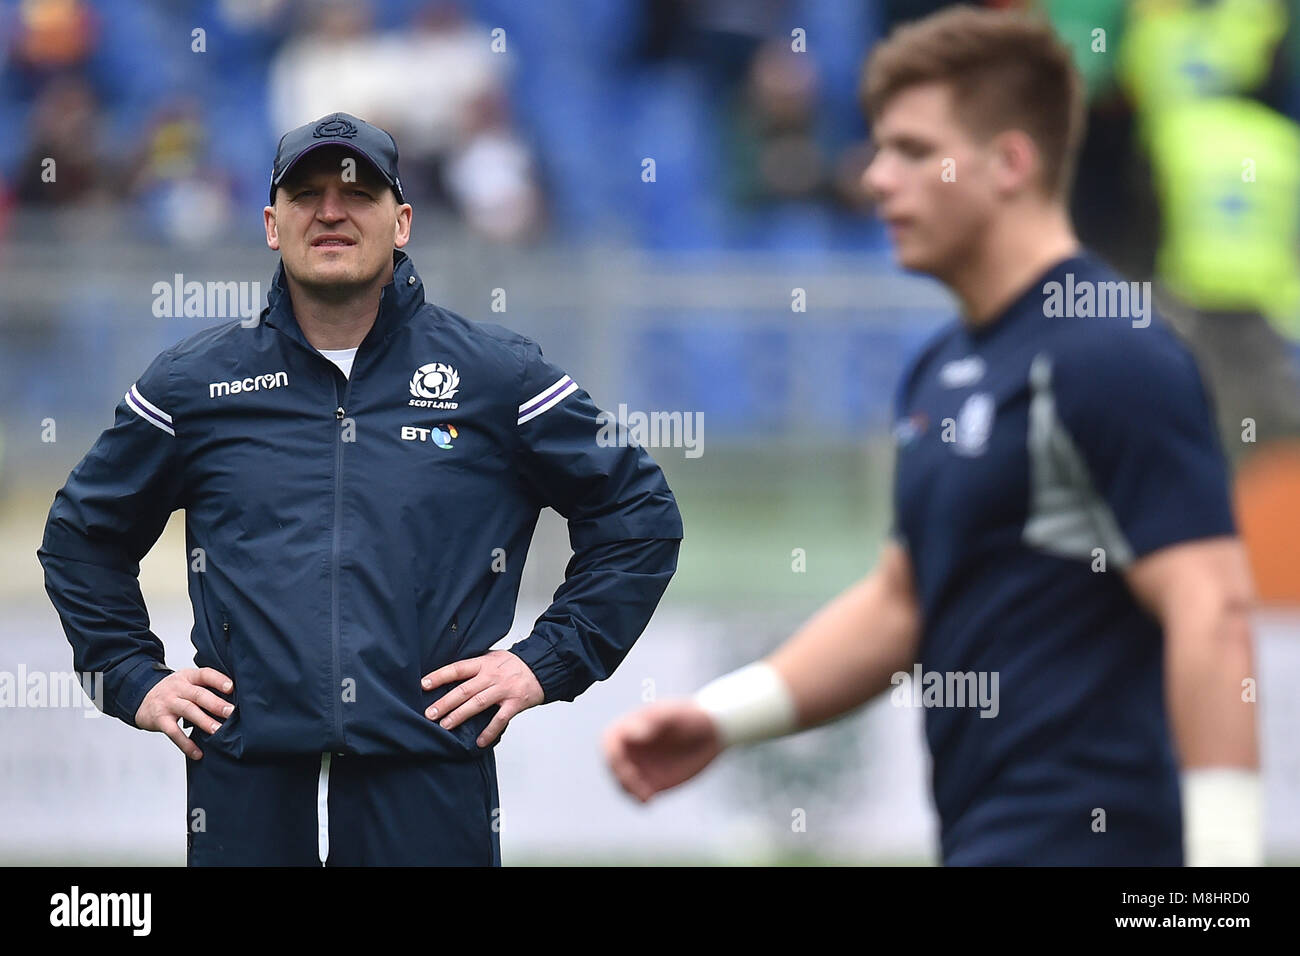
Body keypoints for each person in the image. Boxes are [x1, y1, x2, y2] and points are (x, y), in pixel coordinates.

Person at [603, 8, 1261, 866]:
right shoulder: (945, 367)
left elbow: (1211, 607)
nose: (876, 179)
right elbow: (902, 599)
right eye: (879, 149)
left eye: (912, 150)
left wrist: (1221, 886)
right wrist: (724, 717)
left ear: (1011, 164)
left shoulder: (1109, 352)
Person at [38, 111, 684, 866]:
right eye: (306, 194)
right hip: (243, 776)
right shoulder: (193, 384)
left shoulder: (495, 376)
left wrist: (546, 661)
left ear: (402, 221)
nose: (332, 210)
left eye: (358, 193)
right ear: (272, 225)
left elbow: (638, 515)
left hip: (430, 768)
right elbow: (83, 537)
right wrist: (130, 675)